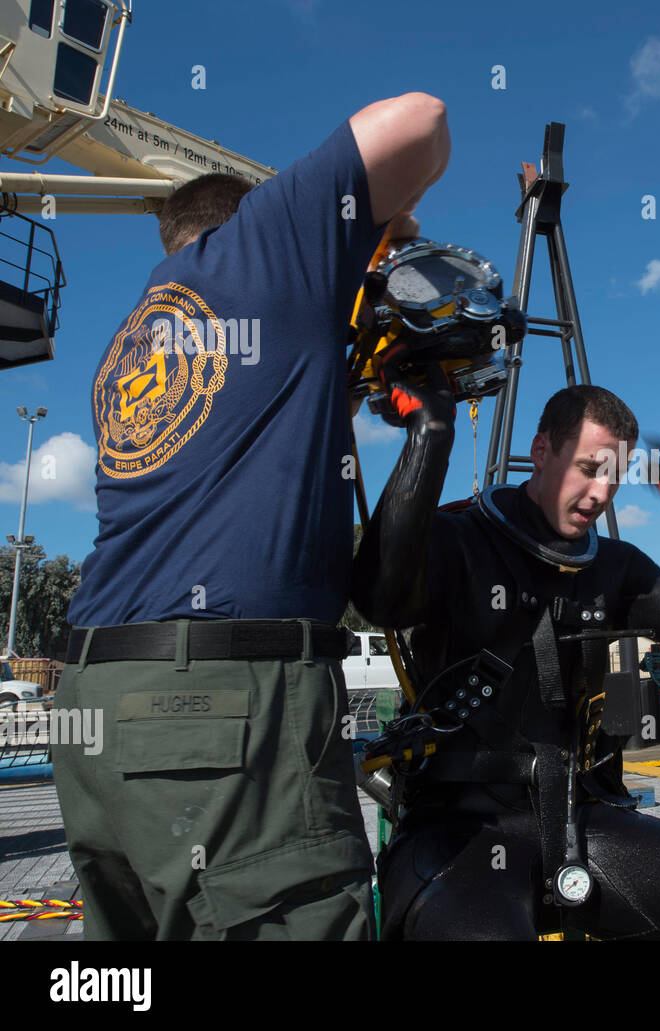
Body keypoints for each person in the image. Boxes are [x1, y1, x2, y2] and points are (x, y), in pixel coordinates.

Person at [52, 93, 451, 940]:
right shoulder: (264, 248)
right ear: (244, 221)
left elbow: (256, 442)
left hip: (97, 705)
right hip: (217, 711)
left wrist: (340, 392)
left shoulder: (133, 341)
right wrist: (385, 218)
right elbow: (420, 118)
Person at [351, 376, 660, 940]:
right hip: (460, 823)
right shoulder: (458, 539)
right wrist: (431, 436)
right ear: (541, 451)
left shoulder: (615, 567)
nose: (600, 494)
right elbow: (380, 597)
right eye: (589, 469)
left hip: (580, 814)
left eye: (614, 477)